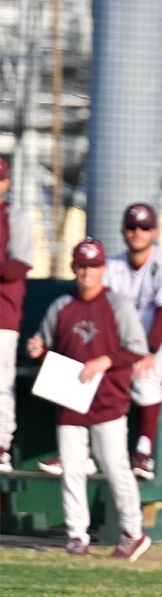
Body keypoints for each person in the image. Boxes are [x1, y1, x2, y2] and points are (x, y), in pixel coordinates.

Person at [24, 238, 153, 561]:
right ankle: (76, 537)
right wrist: (38, 349)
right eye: (82, 266)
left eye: (93, 266)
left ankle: (133, 533)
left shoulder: (116, 305)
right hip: (70, 398)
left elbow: (136, 347)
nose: (87, 272)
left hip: (108, 399)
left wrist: (104, 361)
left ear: (103, 269)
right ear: (74, 268)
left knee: (115, 468)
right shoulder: (62, 306)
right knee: (71, 469)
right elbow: (46, 343)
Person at [102, 201, 162, 481]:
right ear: (122, 231)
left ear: (155, 232)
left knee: (144, 372)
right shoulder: (112, 266)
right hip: (128, 347)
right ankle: (79, 453)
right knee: (84, 368)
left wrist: (148, 352)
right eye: (132, 227)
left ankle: (144, 452)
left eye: (145, 226)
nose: (137, 232)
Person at [0, 156, 28, 473]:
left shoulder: (14, 217)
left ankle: (2, 446)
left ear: (6, 183)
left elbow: (19, 265)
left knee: (1, 381)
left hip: (3, 314)